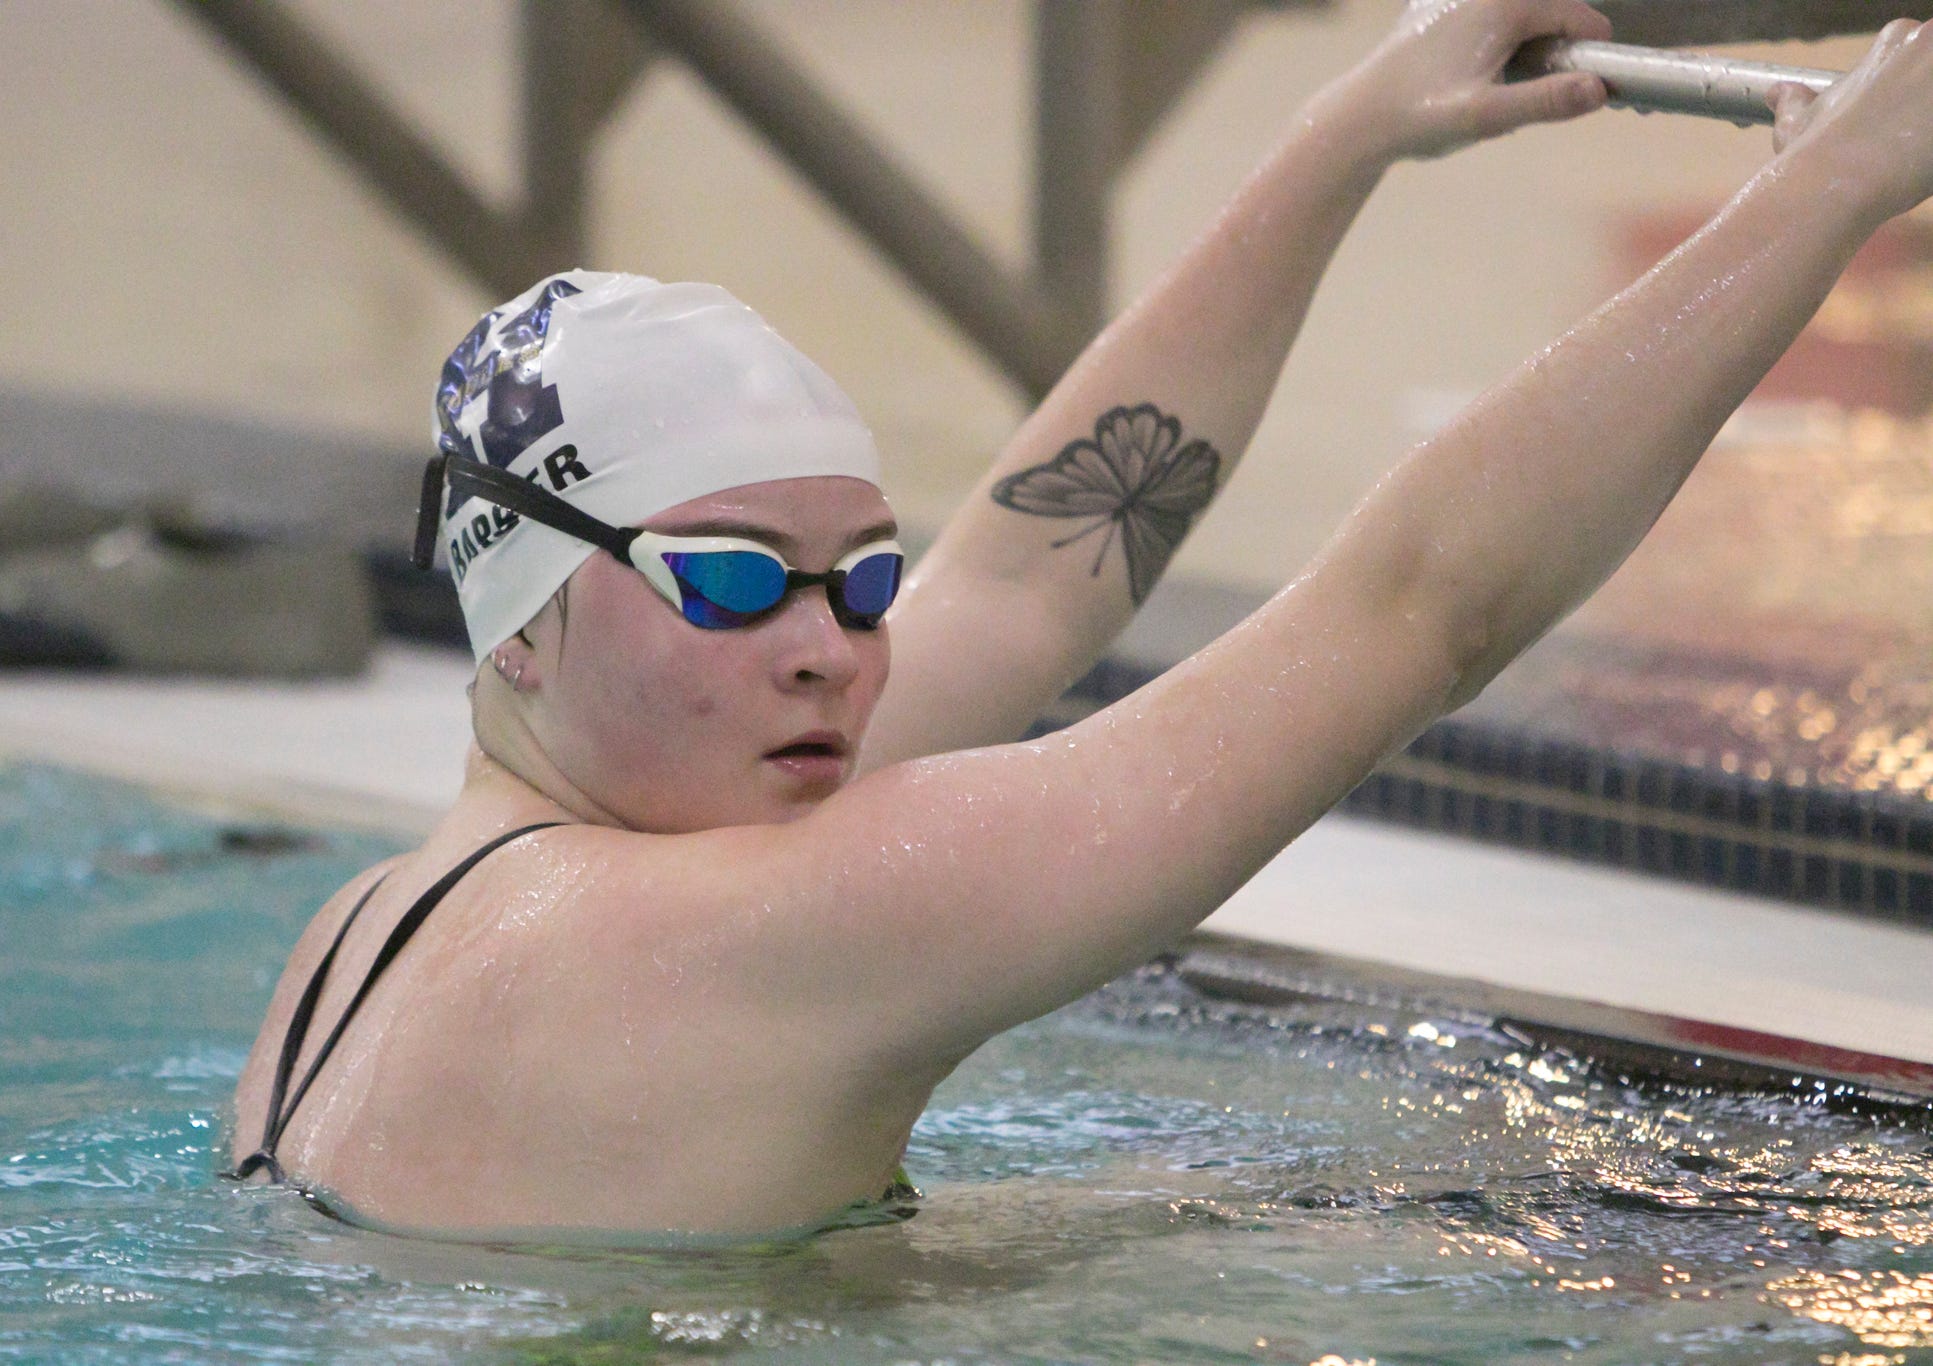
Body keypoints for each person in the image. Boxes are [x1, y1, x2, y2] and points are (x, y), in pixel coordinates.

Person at [231, 0, 1933, 1239]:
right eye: (732, 579)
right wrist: (1831, 187)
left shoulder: (370, 929)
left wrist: (1343, 137)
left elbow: (1027, 570)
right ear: (518, 620)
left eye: (860, 579)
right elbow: (1417, 618)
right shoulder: (739, 927)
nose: (828, 647)